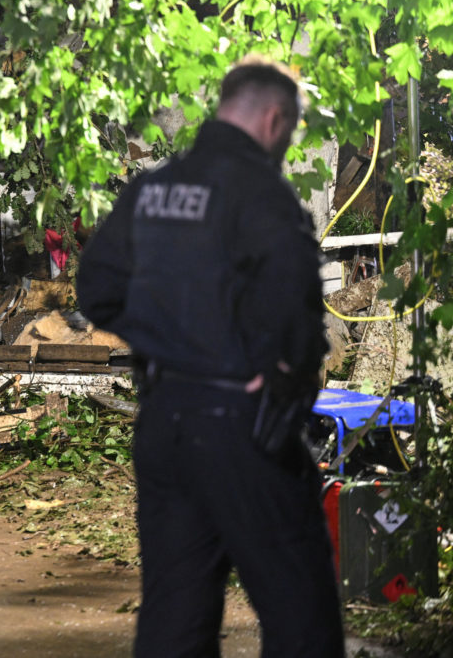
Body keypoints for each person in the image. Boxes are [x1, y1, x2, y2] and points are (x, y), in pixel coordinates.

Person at [76, 57, 344, 657]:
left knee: (176, 615)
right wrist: (262, 369)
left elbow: (96, 289)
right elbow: (296, 322)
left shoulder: (151, 190)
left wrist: (168, 344)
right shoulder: (262, 195)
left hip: (164, 423)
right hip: (243, 428)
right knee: (302, 613)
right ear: (275, 118)